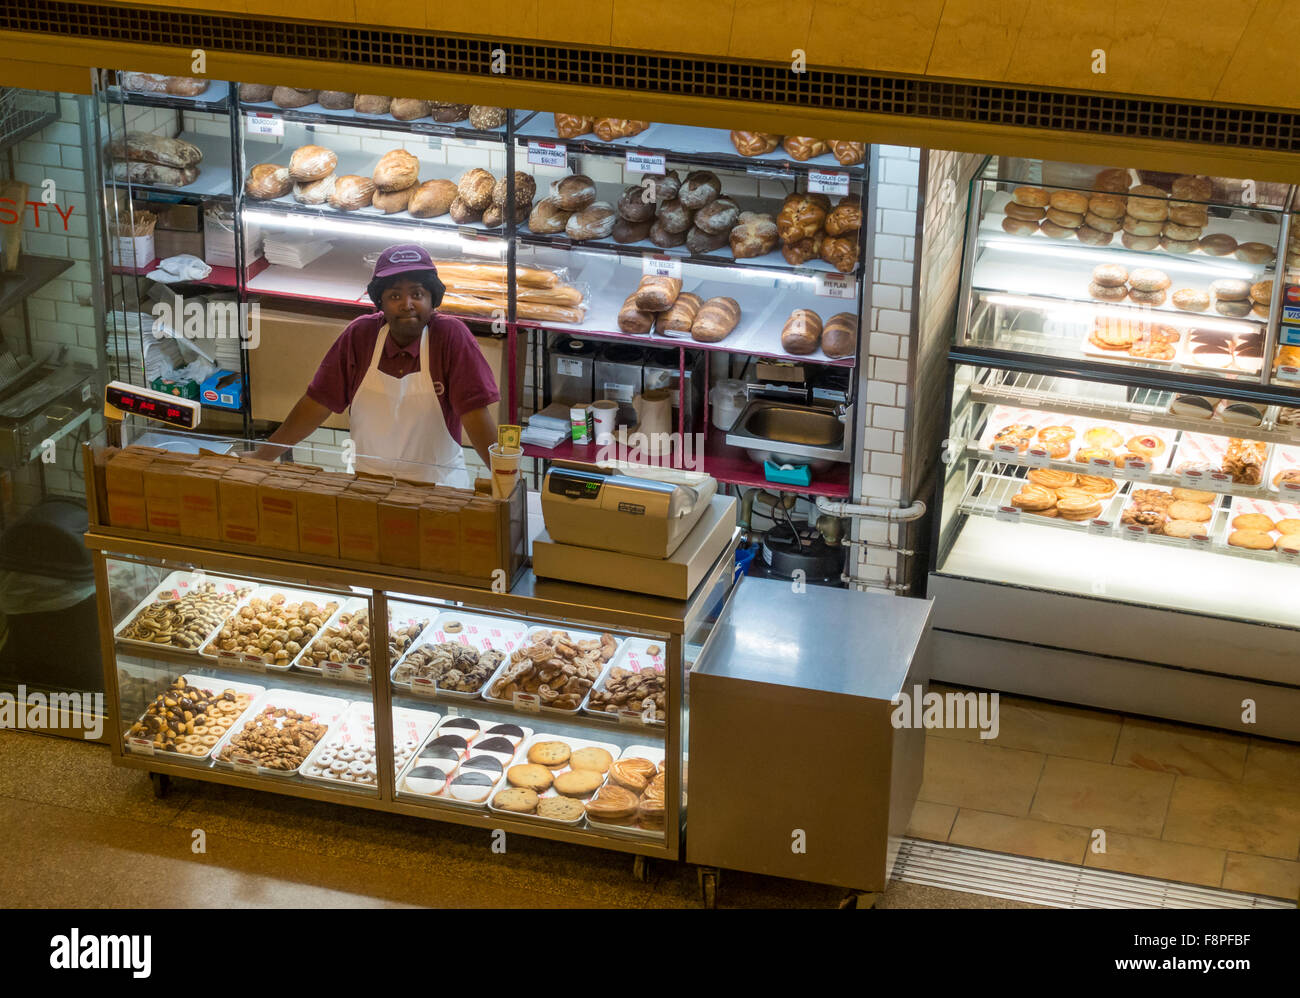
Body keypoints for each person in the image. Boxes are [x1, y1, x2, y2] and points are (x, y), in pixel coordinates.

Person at [262, 244, 498, 486]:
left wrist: (505, 478)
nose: (407, 304)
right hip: (368, 488)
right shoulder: (360, 336)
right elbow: (316, 403)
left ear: (432, 299)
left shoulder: (450, 337)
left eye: (417, 294)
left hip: (440, 490)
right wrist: (263, 456)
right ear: (380, 302)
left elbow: (476, 416)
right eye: (395, 296)